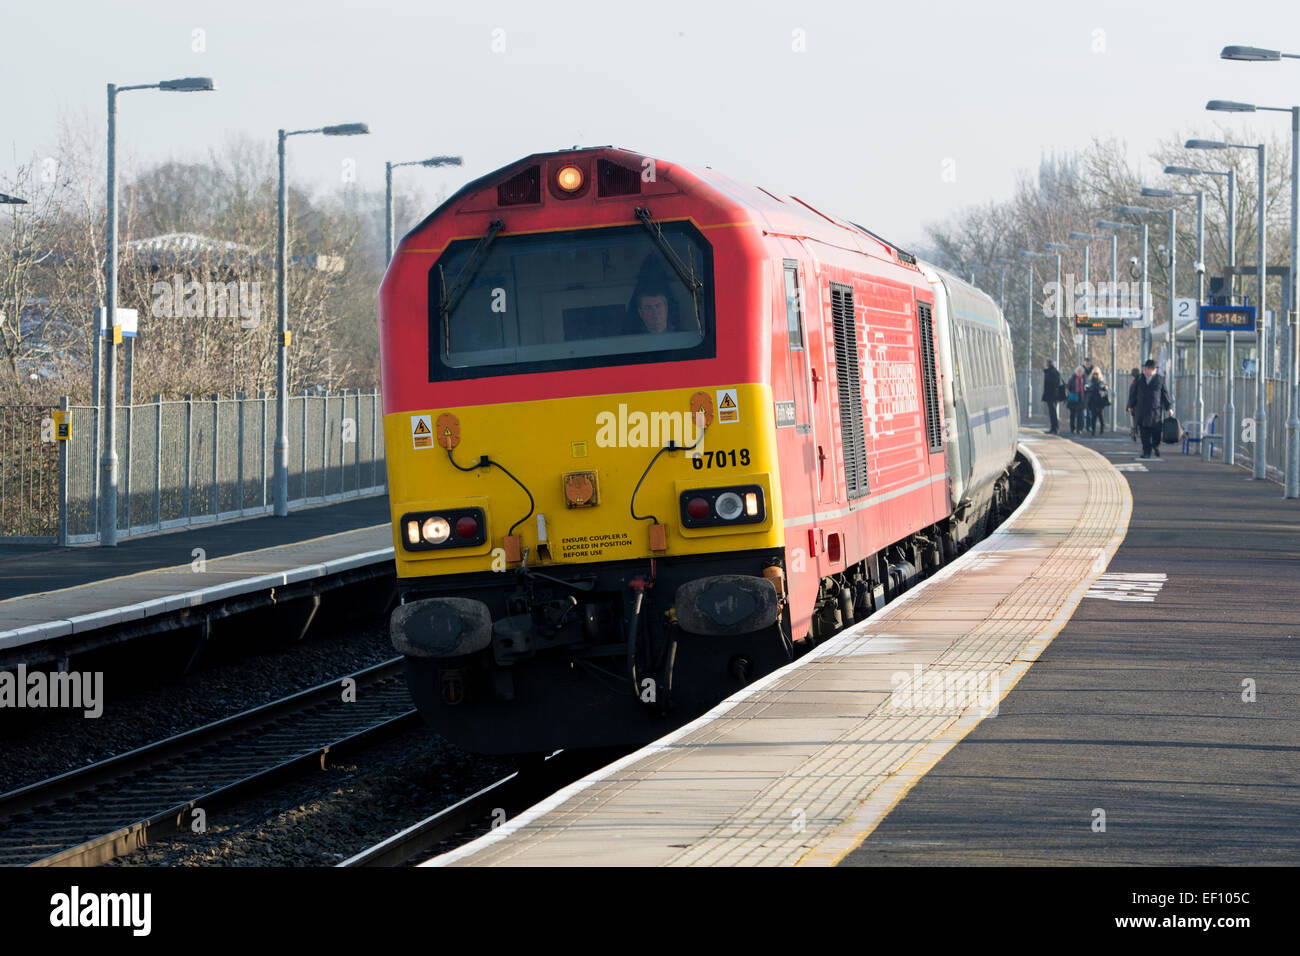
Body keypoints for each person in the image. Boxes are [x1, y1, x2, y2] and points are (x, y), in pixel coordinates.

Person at [1126, 359, 1172, 458]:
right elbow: (1133, 393)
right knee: (1144, 433)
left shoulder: (1160, 379)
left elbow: (1165, 394)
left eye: (1150, 369)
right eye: (1146, 368)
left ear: (1154, 370)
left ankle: (1155, 446)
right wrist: (1130, 405)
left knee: (1156, 433)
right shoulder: (1139, 379)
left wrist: (1169, 408)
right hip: (1142, 410)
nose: (1147, 370)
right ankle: (1146, 452)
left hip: (1155, 411)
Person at [1085, 369, 1109, 436]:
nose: (1095, 375)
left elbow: (1104, 387)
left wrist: (1105, 388)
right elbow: (1087, 387)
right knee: (1093, 417)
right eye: (1094, 374)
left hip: (1100, 401)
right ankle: (1093, 430)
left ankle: (1101, 429)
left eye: (1097, 374)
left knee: (1101, 416)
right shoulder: (1090, 381)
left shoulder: (1101, 382)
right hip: (1092, 401)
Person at [1041, 359, 1062, 434]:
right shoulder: (1054, 372)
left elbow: (1052, 385)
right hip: (1053, 396)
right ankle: (1054, 427)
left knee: (1052, 412)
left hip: (1051, 396)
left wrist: (1051, 394)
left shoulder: (1051, 372)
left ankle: (1054, 428)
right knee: (1052, 412)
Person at [1066, 366, 1086, 434]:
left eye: (1080, 372)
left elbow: (1087, 387)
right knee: (1072, 414)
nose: (1079, 373)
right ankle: (1072, 428)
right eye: (1078, 371)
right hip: (1073, 399)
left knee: (1080, 415)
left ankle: (1079, 428)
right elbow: (1068, 387)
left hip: (1081, 399)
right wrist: (1068, 395)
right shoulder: (1072, 379)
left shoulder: (1084, 379)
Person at [1081, 356, 1096, 432]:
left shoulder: (1094, 371)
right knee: (1085, 410)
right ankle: (1085, 425)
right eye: (1086, 363)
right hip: (1084, 393)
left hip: (1093, 393)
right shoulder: (1081, 370)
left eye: (1088, 363)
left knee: (1091, 411)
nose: (1087, 364)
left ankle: (1090, 426)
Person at [1127, 367, 1141, 442]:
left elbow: (1132, 395)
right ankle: (1135, 431)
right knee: (1136, 419)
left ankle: (1134, 432)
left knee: (1135, 420)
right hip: (1138, 404)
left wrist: (1130, 405)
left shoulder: (1135, 382)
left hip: (1135, 404)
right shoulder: (1139, 381)